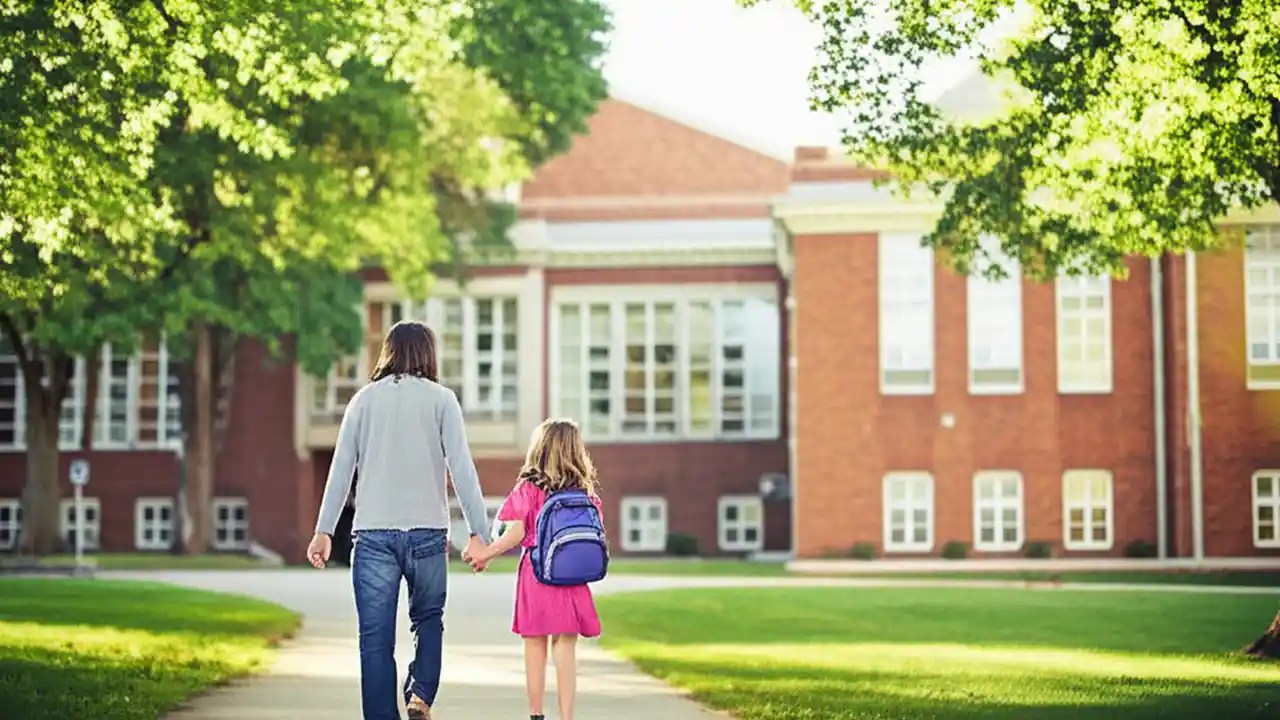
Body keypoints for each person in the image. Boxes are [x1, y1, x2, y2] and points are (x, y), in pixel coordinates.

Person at [308, 320, 490, 720]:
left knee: (374, 642)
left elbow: (341, 470)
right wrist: (481, 534)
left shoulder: (363, 401)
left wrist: (324, 530)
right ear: (428, 354)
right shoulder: (442, 400)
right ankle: (421, 693)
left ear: (387, 353)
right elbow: (462, 469)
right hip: (427, 533)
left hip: (373, 537)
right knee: (428, 620)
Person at [465, 418, 603, 720]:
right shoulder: (585, 492)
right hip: (573, 578)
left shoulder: (529, 487)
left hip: (537, 574)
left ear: (538, 448)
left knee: (535, 642)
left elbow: (514, 534)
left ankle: (536, 713)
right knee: (566, 644)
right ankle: (566, 716)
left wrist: (486, 554)